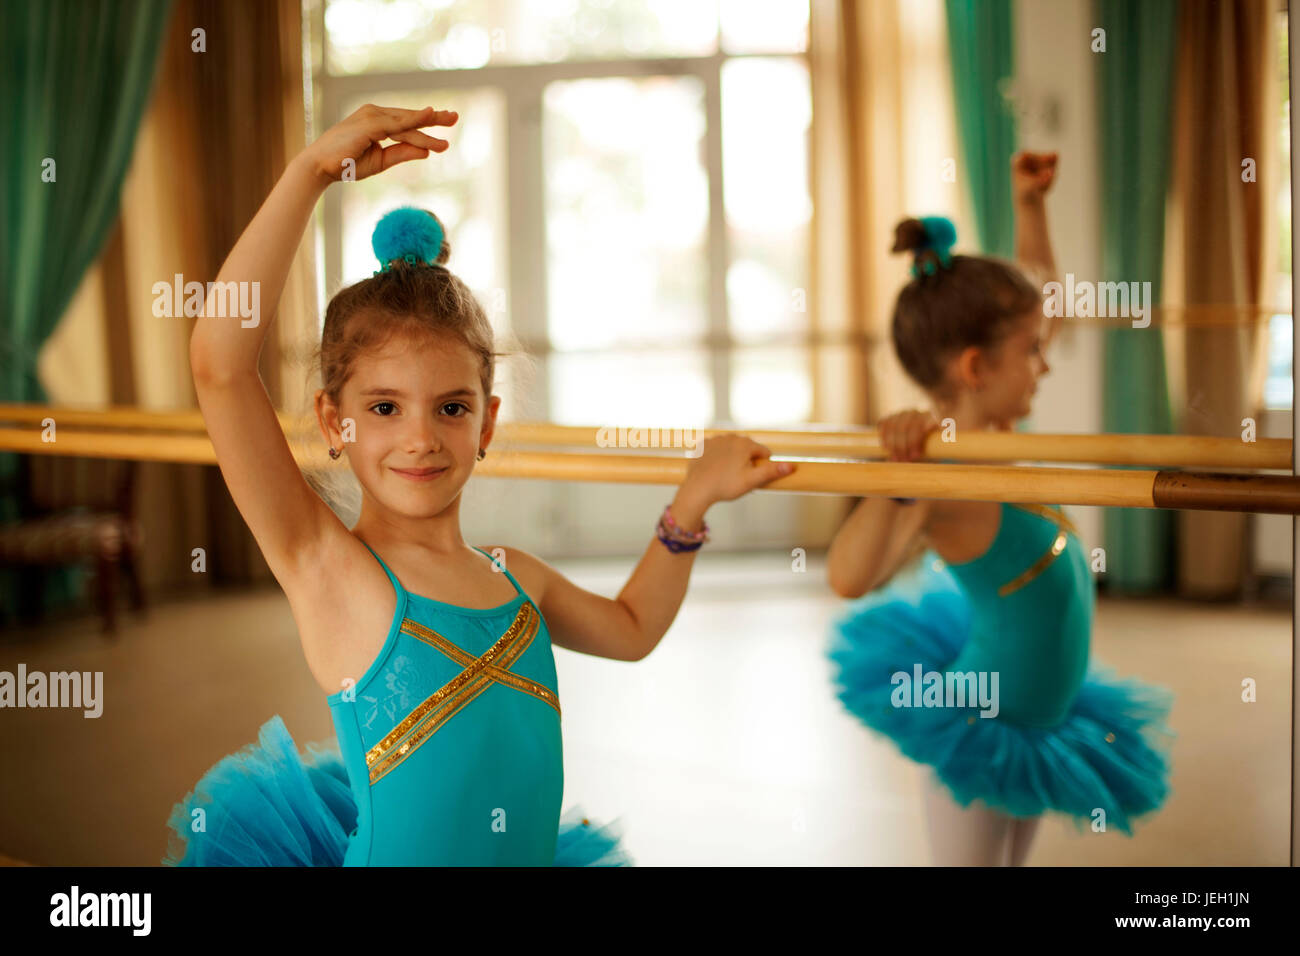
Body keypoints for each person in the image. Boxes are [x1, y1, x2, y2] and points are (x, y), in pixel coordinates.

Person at [166, 104, 795, 866]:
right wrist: (310, 173)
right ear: (334, 422)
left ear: (487, 421)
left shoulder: (515, 575)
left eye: (451, 407)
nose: (422, 437)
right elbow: (220, 368)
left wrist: (690, 505)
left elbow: (632, 630)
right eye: (384, 408)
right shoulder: (333, 572)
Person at [826, 151, 1172, 866]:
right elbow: (848, 577)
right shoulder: (944, 473)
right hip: (983, 722)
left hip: (1038, 718)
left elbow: (1038, 291)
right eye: (1033, 353)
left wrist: (1030, 207)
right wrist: (896, 474)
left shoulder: (1002, 435)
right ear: (977, 368)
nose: (1046, 363)